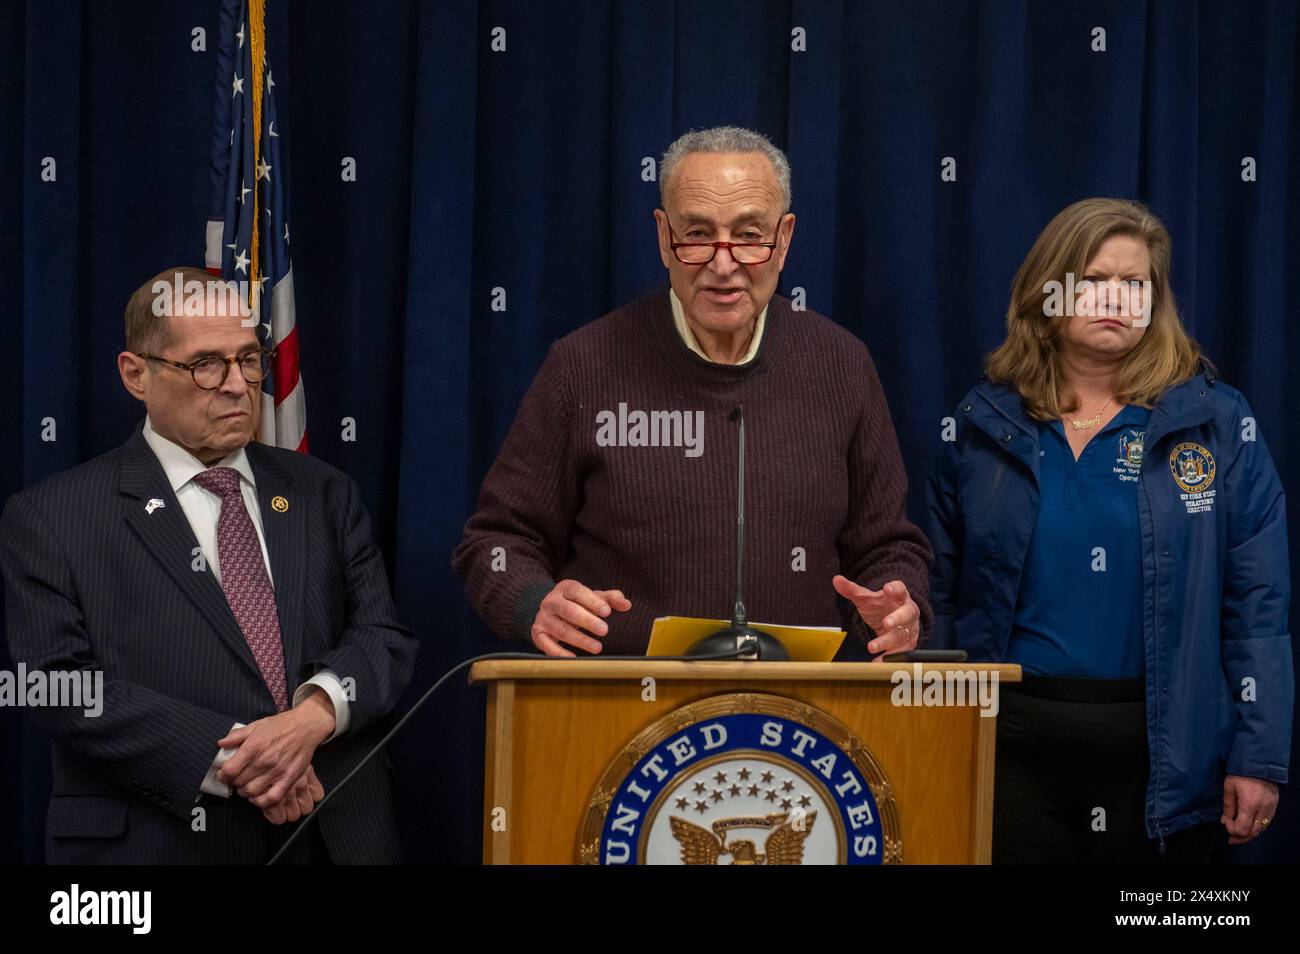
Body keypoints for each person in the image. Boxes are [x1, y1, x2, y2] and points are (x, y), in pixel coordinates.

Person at [453, 126, 932, 657]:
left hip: (799, 717)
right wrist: (535, 603)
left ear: (785, 238)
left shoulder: (843, 365)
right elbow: (496, 542)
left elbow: (888, 547)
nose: (723, 265)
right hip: (623, 708)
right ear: (663, 236)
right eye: (698, 234)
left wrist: (897, 608)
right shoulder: (581, 366)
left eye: (749, 236)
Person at [0, 266, 417, 863]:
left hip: (333, 833)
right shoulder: (51, 516)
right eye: (205, 365)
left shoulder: (324, 492)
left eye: (249, 359)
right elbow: (55, 685)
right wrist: (242, 762)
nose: (236, 385)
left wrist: (313, 716)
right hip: (156, 843)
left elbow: (383, 636)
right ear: (135, 374)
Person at [926, 198, 1292, 863]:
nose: (1117, 299)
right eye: (1094, 280)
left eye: (1136, 284)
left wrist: (1260, 755)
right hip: (1008, 751)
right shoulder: (982, 425)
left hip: (1162, 758)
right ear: (1048, 289)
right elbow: (943, 595)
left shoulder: (1215, 424)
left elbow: (1258, 608)